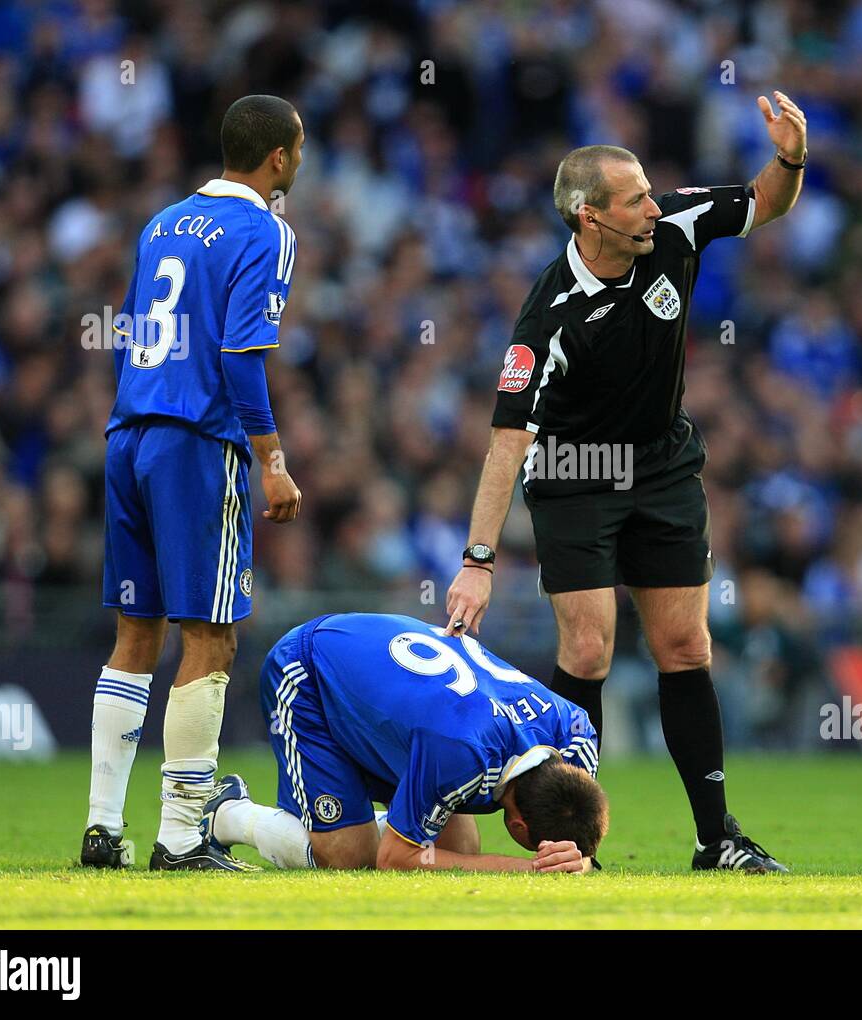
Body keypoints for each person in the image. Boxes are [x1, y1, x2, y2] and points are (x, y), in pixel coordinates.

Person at [444, 91, 810, 871]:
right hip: (575, 477)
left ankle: (719, 841)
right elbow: (506, 446)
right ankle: (570, 845)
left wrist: (788, 157)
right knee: (589, 648)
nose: (654, 204)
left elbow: (766, 206)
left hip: (662, 466)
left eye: (650, 191)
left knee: (685, 644)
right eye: (636, 197)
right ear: (590, 217)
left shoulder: (671, 225)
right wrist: (477, 561)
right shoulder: (548, 320)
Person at [81, 95, 305, 871]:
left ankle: (103, 827)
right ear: (279, 158)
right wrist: (271, 457)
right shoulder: (266, 230)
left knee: (135, 634)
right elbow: (242, 354)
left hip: (130, 432)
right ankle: (181, 835)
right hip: (196, 445)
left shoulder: (162, 221)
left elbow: (133, 330)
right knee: (210, 635)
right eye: (297, 152)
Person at [201, 612, 607, 873]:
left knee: (460, 846)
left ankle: (393, 819)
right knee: (349, 856)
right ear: (518, 826)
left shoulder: (575, 729)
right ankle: (230, 813)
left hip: (401, 686)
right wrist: (525, 868)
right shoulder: (461, 752)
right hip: (310, 669)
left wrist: (581, 860)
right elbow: (395, 859)